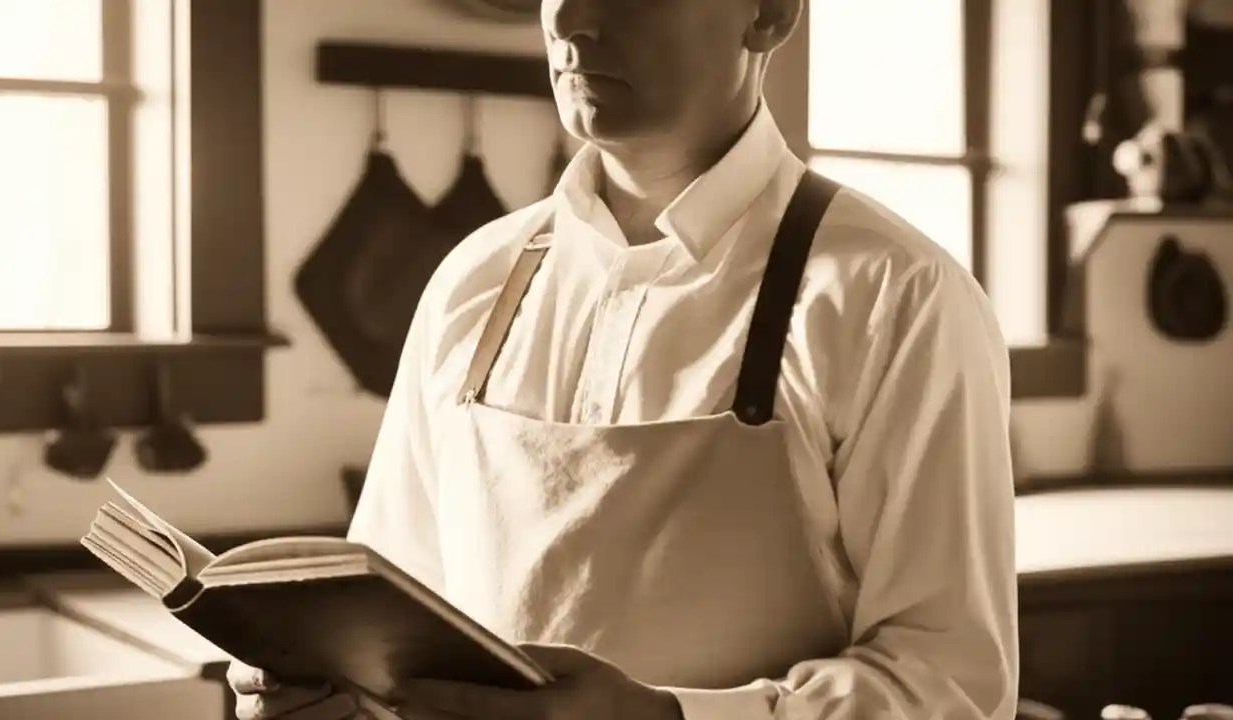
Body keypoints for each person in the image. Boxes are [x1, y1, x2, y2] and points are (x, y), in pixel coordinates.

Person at [228, 0, 1020, 716]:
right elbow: (394, 624)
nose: (570, 17)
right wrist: (328, 689)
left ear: (771, 15)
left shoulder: (896, 296)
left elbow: (947, 684)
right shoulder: (472, 281)